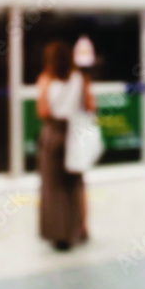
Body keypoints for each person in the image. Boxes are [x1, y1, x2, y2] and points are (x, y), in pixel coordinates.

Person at [35, 40, 95, 251]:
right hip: (74, 133)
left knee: (53, 186)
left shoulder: (45, 80)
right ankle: (80, 228)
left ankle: (60, 234)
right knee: (76, 184)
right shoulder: (80, 78)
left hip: (53, 133)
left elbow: (42, 111)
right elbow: (90, 107)